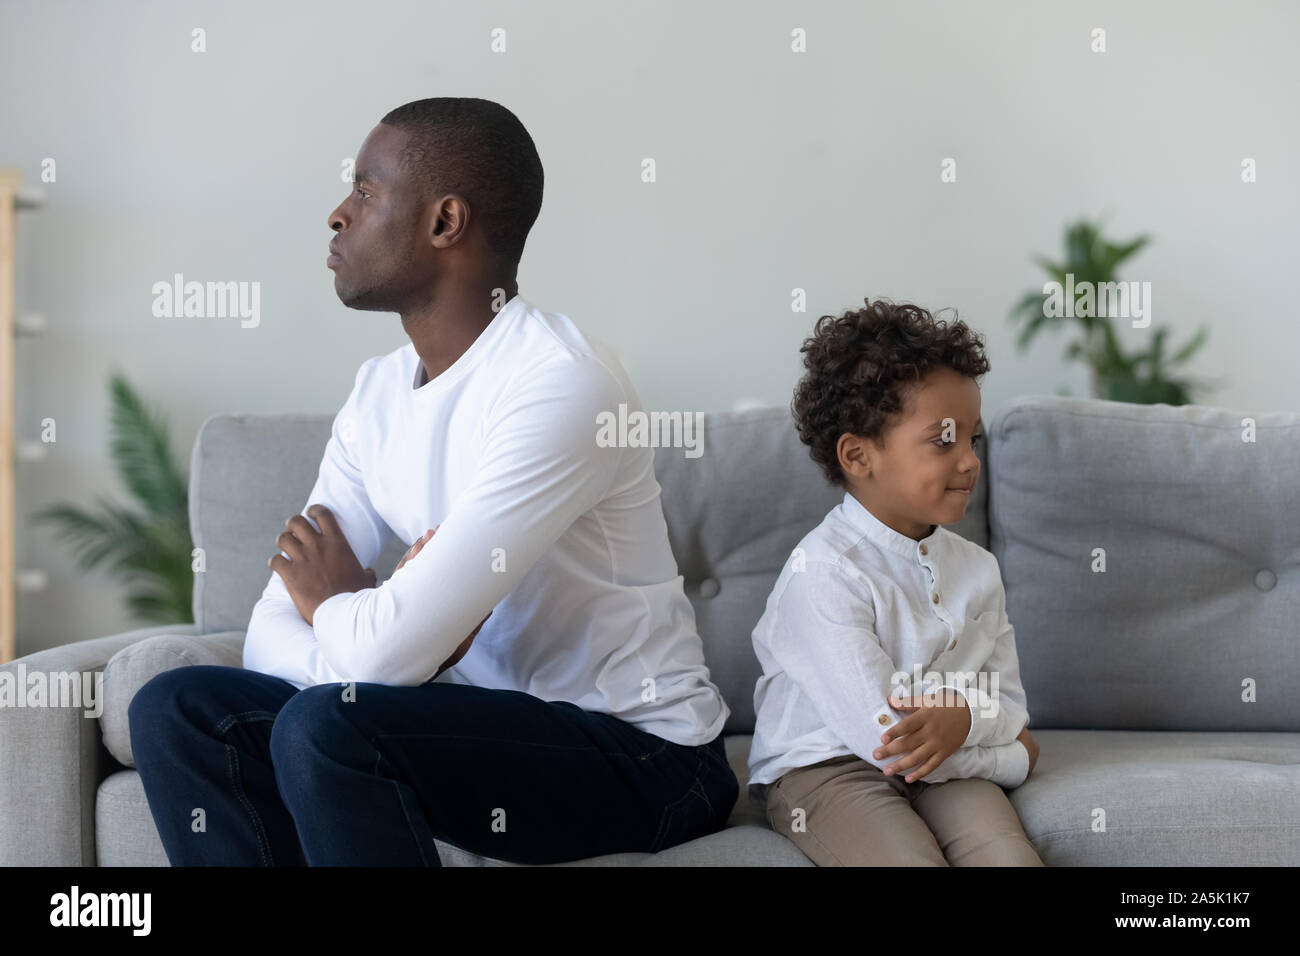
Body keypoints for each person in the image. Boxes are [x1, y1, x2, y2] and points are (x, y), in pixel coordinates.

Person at [129, 97, 736, 866]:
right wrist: (391, 638)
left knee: (330, 724)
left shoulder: (562, 382)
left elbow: (373, 654)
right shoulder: (377, 392)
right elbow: (273, 632)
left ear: (445, 222)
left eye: (365, 191)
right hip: (471, 725)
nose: (337, 215)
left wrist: (350, 618)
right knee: (178, 707)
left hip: (645, 756)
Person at [746, 298, 1044, 866]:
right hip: (829, 768)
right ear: (859, 456)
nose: (970, 461)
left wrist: (965, 720)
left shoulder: (979, 569)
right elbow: (891, 741)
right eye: (944, 440)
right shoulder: (823, 572)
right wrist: (1010, 757)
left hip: (949, 752)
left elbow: (1009, 703)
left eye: (973, 440)